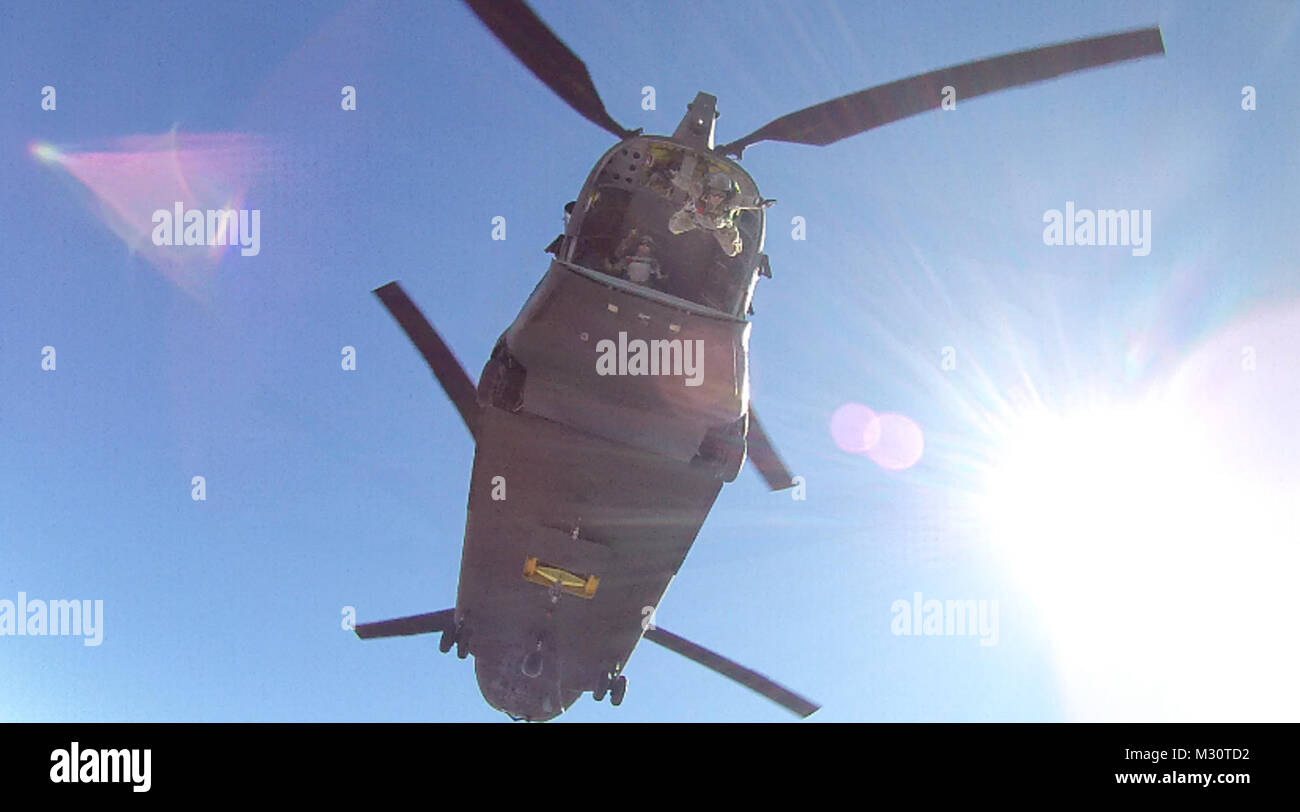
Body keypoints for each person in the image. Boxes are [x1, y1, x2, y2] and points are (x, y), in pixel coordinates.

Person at [668, 171, 744, 257]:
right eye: (714, 193)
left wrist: (758, 203)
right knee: (673, 227)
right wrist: (673, 177)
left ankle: (736, 243)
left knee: (732, 251)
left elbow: (746, 202)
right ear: (709, 192)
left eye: (721, 195)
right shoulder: (700, 193)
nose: (717, 198)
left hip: (721, 228)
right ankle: (686, 212)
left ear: (726, 196)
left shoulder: (731, 203)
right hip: (697, 218)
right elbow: (686, 185)